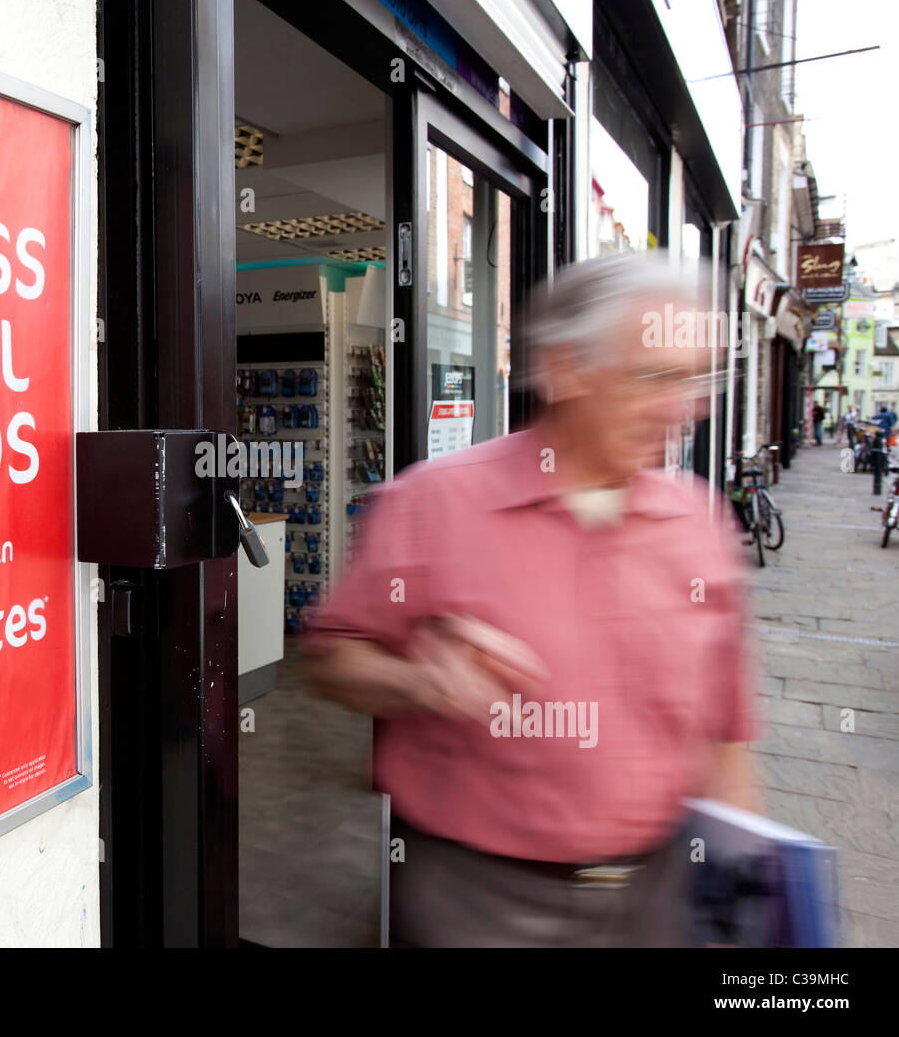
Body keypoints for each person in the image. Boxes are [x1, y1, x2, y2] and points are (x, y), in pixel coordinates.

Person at [305, 251, 760, 948]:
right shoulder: (435, 501)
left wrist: (751, 893)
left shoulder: (699, 523)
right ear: (569, 369)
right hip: (477, 904)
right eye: (654, 378)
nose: (684, 408)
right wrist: (418, 680)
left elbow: (726, 736)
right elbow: (331, 656)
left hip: (659, 901)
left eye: (693, 379)